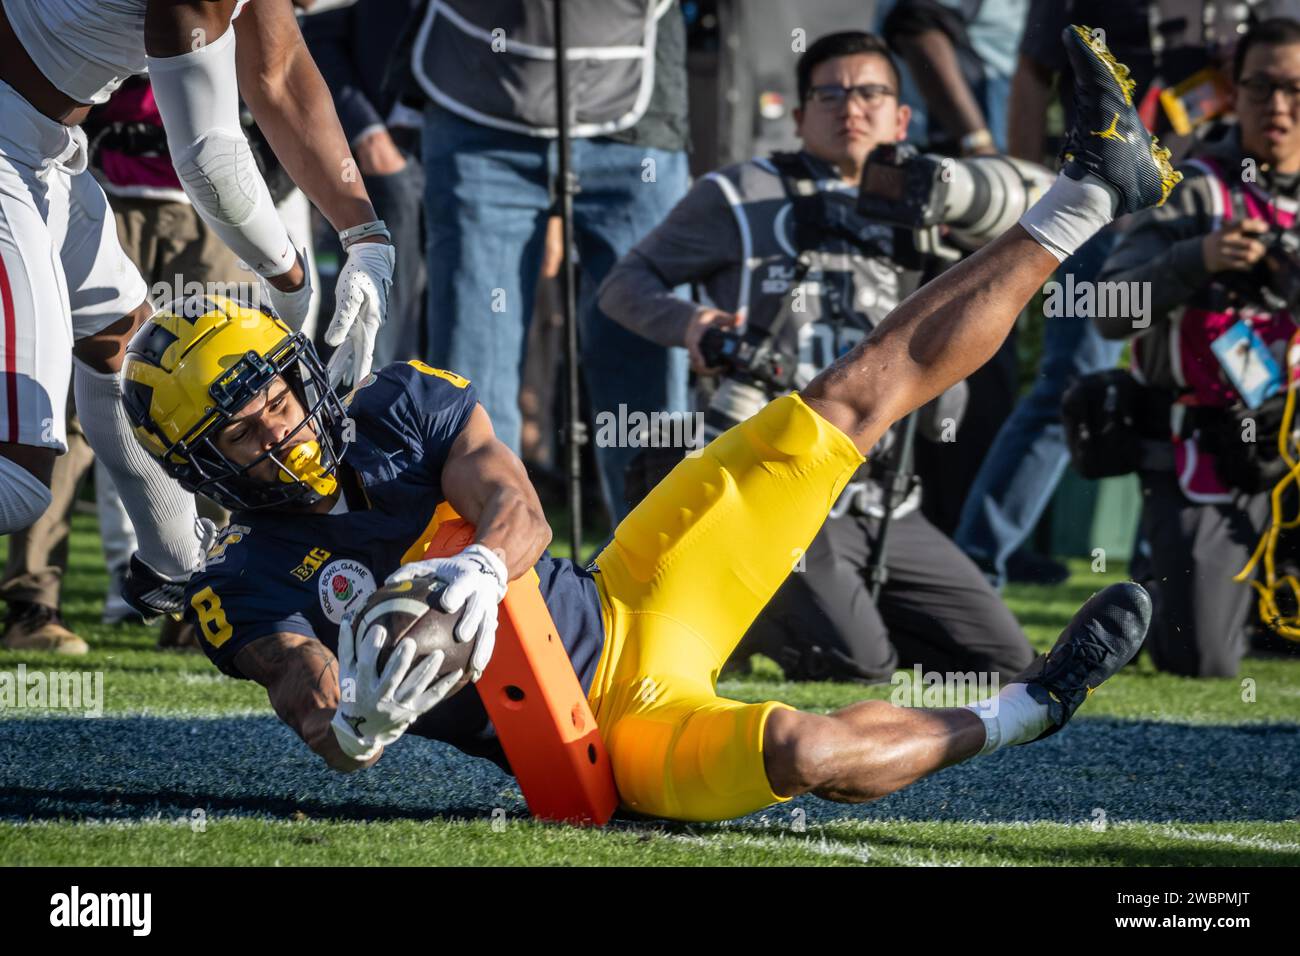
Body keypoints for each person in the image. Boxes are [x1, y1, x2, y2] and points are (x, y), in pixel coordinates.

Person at [127, 25, 1171, 822]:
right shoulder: (246, 576)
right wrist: (350, 721)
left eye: (271, 392)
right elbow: (298, 685)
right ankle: (1022, 711)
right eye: (241, 430)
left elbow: (513, 503)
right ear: (202, 468)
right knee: (803, 752)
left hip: (636, 587)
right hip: (616, 739)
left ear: (299, 367)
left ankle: (1087, 194)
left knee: (845, 397)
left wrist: (482, 568)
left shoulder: (395, 402)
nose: (277, 426)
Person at [599, 31, 1033, 684]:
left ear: (900, 117)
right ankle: (745, 608)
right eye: (827, 94)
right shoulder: (740, 192)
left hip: (886, 498)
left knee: (1004, 662)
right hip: (775, 481)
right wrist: (696, 324)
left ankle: (784, 605)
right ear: (799, 116)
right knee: (860, 667)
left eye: (869, 93)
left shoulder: (938, 205)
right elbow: (623, 286)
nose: (848, 107)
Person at [0, 0, 394, 621]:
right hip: (8, 140)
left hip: (39, 142)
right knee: (18, 486)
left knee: (119, 344)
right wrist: (292, 285)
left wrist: (365, 237)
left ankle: (178, 568)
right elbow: (209, 156)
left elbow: (279, 70)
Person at [414, 0, 692, 524]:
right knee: (474, 382)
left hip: (637, 114)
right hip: (478, 100)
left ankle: (656, 585)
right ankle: (490, 587)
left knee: (648, 373)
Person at [1093, 18, 1300, 677]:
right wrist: (1194, 257)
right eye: (1261, 86)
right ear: (1230, 92)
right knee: (1200, 659)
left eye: (1297, 89)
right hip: (1203, 451)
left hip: (1290, 447)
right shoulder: (1189, 188)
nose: (1279, 106)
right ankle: (1170, 567)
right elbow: (1105, 311)